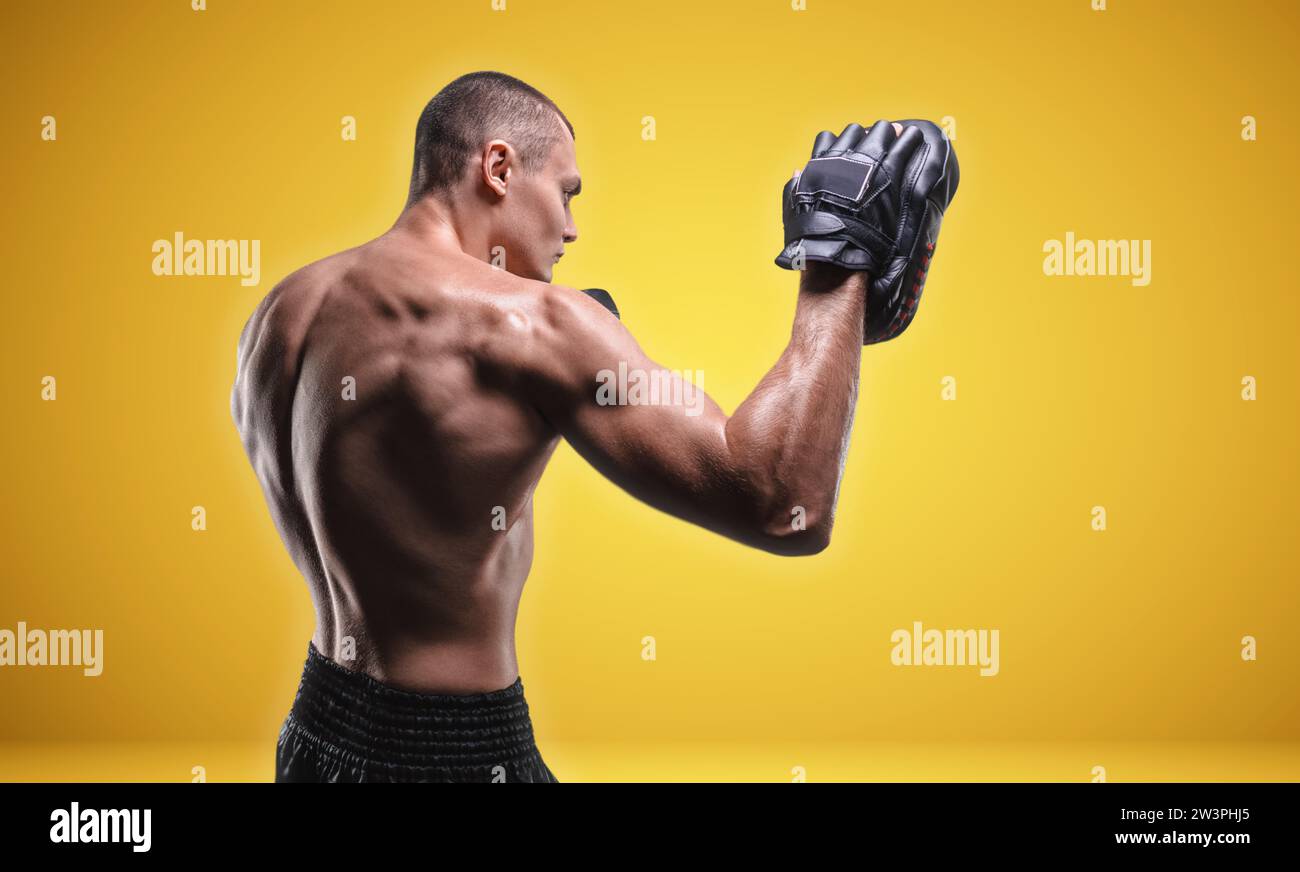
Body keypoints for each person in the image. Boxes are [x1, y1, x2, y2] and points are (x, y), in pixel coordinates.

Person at [231, 70, 955, 782]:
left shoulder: (283, 312)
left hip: (314, 734)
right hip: (451, 754)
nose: (572, 228)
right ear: (499, 167)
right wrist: (836, 270)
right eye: (566, 193)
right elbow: (780, 501)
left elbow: (422, 471)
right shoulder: (535, 326)